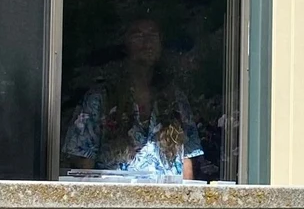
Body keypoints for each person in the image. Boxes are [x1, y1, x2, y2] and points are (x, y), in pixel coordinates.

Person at [62, 16, 203, 180]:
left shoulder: (176, 100)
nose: (146, 41)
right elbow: (82, 168)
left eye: (153, 34)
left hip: (167, 203)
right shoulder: (99, 99)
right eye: (138, 34)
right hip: (114, 203)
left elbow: (187, 160)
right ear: (125, 44)